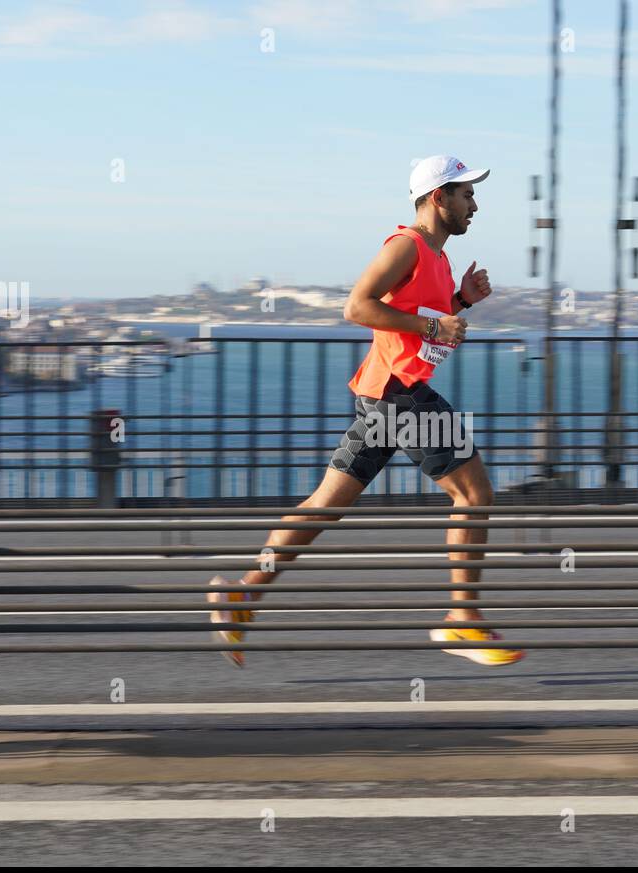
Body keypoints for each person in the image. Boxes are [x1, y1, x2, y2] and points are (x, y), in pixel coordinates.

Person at [207, 155, 524, 668]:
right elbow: (357, 307)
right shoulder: (406, 246)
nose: (475, 204)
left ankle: (243, 594)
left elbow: (420, 318)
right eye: (466, 194)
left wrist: (460, 302)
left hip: (385, 396)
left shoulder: (438, 259)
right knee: (475, 492)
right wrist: (434, 327)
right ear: (438, 198)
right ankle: (462, 619)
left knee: (324, 506)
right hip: (401, 396)